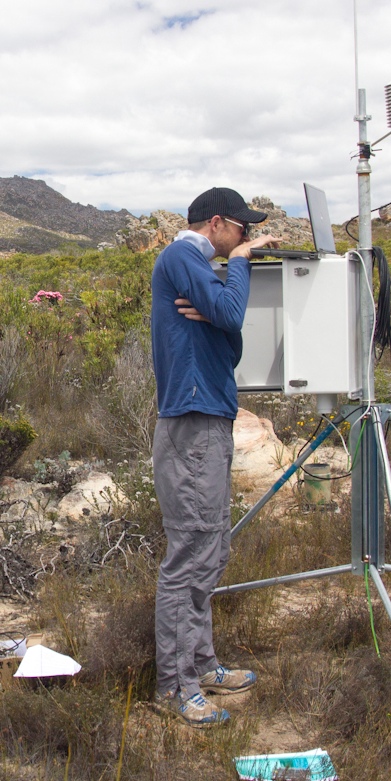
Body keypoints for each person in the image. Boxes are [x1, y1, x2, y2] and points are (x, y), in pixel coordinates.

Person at [150, 187, 280, 727]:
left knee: (212, 547)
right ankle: (175, 685)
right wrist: (239, 272)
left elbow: (232, 344)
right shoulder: (183, 254)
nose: (246, 238)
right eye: (242, 230)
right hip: (193, 424)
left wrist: (217, 317)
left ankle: (201, 665)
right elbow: (230, 315)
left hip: (211, 420)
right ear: (219, 223)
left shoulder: (200, 265)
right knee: (191, 551)